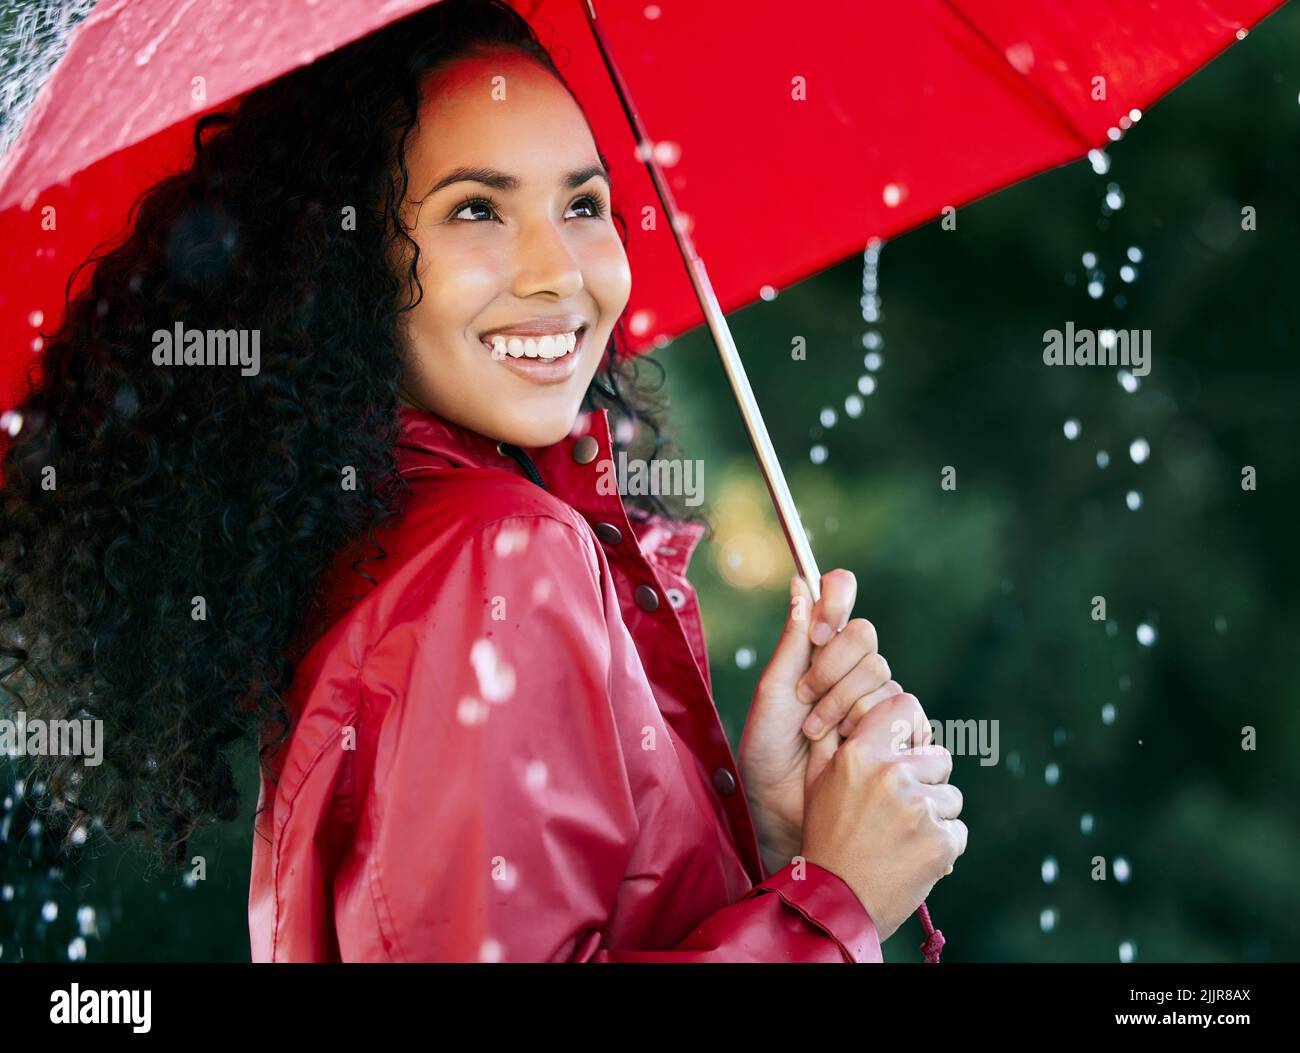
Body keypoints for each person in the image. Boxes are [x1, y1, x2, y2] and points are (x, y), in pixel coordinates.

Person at [0, 0, 965, 962]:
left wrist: (771, 832)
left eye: (583, 204)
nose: (557, 270)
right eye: (476, 208)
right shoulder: (497, 552)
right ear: (347, 267)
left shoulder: (390, 544)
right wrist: (832, 908)